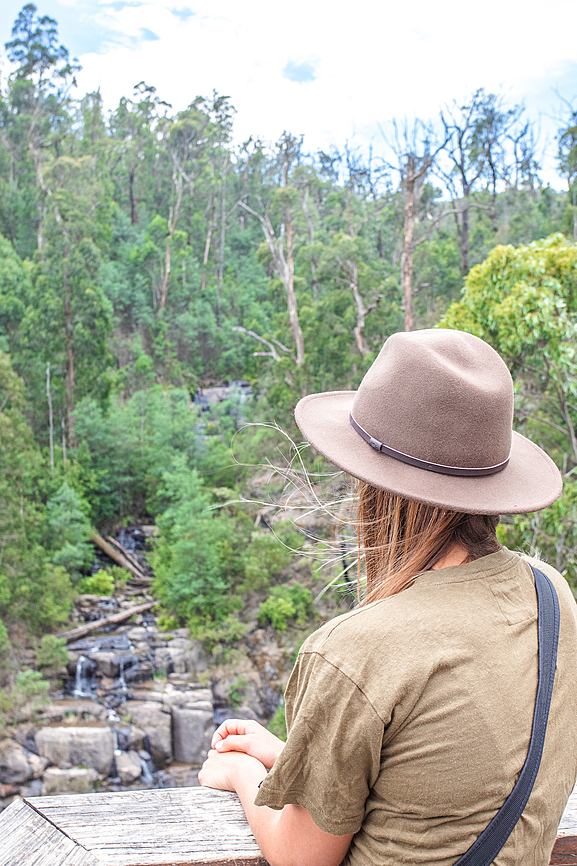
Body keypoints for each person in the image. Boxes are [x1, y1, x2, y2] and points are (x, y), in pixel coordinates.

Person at [199, 328, 577, 866]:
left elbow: (301, 858)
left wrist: (243, 774)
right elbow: (438, 787)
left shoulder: (356, 650)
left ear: (375, 489)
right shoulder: (552, 597)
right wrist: (292, 759)